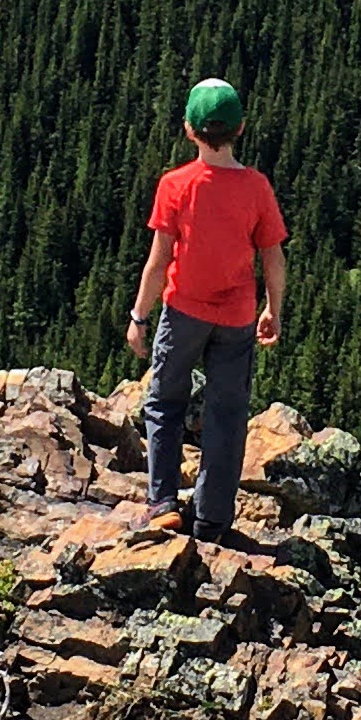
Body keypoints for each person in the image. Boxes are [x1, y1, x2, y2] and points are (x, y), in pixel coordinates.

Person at [124, 77, 288, 543]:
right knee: (227, 415)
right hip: (237, 317)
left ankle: (161, 504)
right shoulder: (256, 187)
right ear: (240, 130)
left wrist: (139, 317)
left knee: (164, 404)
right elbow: (273, 257)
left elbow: (159, 261)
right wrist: (272, 310)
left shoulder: (176, 185)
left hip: (182, 314)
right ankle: (213, 519)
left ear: (189, 130)